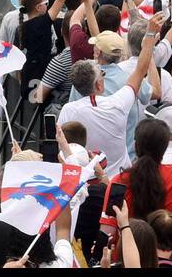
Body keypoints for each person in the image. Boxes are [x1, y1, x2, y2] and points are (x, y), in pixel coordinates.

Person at [57, 13, 161, 176]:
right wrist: (150, 37)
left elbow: (64, 146)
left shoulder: (68, 110)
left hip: (84, 177)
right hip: (118, 177)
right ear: (99, 84)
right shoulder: (118, 104)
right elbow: (142, 71)